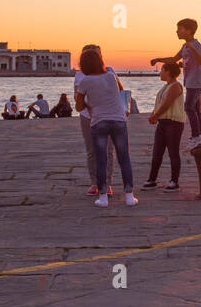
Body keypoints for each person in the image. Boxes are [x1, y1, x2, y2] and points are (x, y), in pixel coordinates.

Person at [75, 46, 137, 207]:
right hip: (118, 120)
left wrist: (90, 104)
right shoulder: (111, 76)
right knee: (124, 158)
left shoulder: (85, 81)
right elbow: (117, 93)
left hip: (99, 122)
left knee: (100, 159)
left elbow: (79, 106)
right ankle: (129, 196)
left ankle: (103, 197)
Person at [150, 18, 201, 151]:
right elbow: (174, 59)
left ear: (189, 31)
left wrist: (193, 48)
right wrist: (158, 59)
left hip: (196, 81)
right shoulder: (184, 46)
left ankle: (196, 136)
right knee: (196, 109)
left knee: (188, 107)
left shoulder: (195, 44)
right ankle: (200, 137)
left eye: (180, 29)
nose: (177, 31)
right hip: (191, 81)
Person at [77, 43, 121, 196]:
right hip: (87, 116)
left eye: (97, 54)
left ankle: (108, 183)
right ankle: (95, 182)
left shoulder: (109, 72)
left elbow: (119, 90)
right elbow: (78, 99)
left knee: (108, 150)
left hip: (105, 115)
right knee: (91, 150)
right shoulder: (80, 75)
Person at [142, 60, 185, 191]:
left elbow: (167, 103)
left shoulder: (176, 86)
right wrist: (154, 114)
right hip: (163, 123)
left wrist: (155, 115)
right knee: (157, 152)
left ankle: (174, 181)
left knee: (173, 152)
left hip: (174, 123)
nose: (160, 73)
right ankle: (152, 179)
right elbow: (160, 103)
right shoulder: (165, 86)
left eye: (162, 70)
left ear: (168, 72)